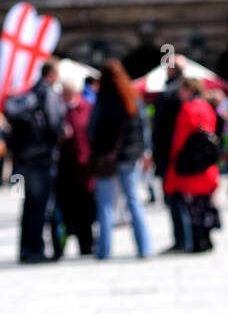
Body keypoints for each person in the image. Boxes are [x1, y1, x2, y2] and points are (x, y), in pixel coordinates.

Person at [3, 59, 65, 264]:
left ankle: (25, 250)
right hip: (42, 159)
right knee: (40, 207)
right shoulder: (48, 93)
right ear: (52, 74)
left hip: (22, 159)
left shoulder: (28, 94)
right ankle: (36, 250)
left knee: (28, 205)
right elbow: (55, 123)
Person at [89, 59, 151, 259]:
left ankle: (103, 251)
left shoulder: (102, 100)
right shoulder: (133, 98)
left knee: (105, 204)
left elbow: (91, 129)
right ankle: (144, 248)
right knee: (133, 201)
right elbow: (144, 127)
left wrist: (97, 148)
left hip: (106, 157)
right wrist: (144, 150)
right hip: (130, 156)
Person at [163, 78, 221, 253]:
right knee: (204, 205)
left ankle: (197, 242)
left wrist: (174, 158)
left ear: (189, 90)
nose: (180, 95)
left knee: (193, 207)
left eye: (182, 90)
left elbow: (180, 140)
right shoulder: (207, 107)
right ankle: (207, 239)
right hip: (206, 165)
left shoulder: (188, 109)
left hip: (190, 166)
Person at [53, 80, 95, 256]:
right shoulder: (58, 110)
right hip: (64, 168)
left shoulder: (87, 108)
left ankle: (86, 244)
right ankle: (61, 245)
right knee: (66, 208)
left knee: (86, 207)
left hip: (85, 168)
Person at [151, 52, 186, 251]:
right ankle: (186, 239)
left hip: (169, 153)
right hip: (180, 151)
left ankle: (181, 240)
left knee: (174, 197)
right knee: (182, 197)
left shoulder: (169, 93)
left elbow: (161, 128)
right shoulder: (183, 91)